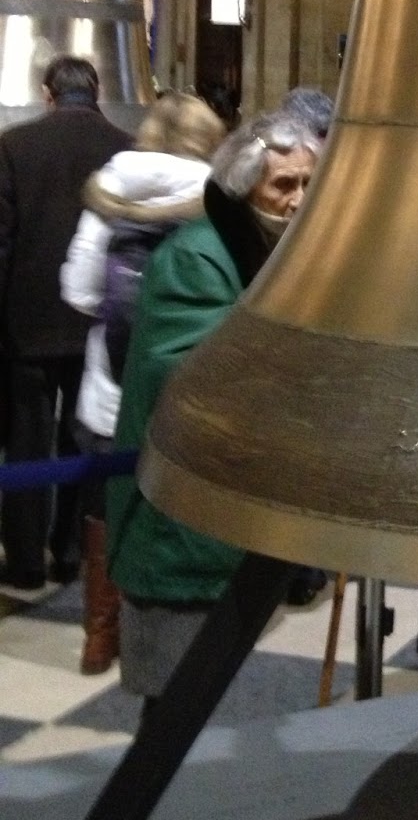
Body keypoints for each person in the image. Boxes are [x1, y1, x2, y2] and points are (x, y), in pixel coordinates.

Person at [106, 110, 318, 715]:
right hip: (178, 514)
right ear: (241, 185)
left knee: (214, 704)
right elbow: (193, 371)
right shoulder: (198, 255)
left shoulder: (267, 251)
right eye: (282, 185)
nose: (297, 200)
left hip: (228, 514)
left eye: (307, 183)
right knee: (175, 704)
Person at [60, 92, 227, 673]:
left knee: (106, 508)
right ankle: (178, 644)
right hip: (190, 395)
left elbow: (80, 289)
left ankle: (100, 635)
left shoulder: (110, 193)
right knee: (178, 504)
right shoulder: (220, 199)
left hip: (110, 388)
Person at [0, 56, 131, 590]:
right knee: (83, 439)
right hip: (95, 319)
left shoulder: (14, 146)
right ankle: (74, 551)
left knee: (26, 442)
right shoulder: (125, 148)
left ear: (48, 95)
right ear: (97, 92)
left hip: (26, 323)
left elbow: (1, 242)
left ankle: (27, 562)